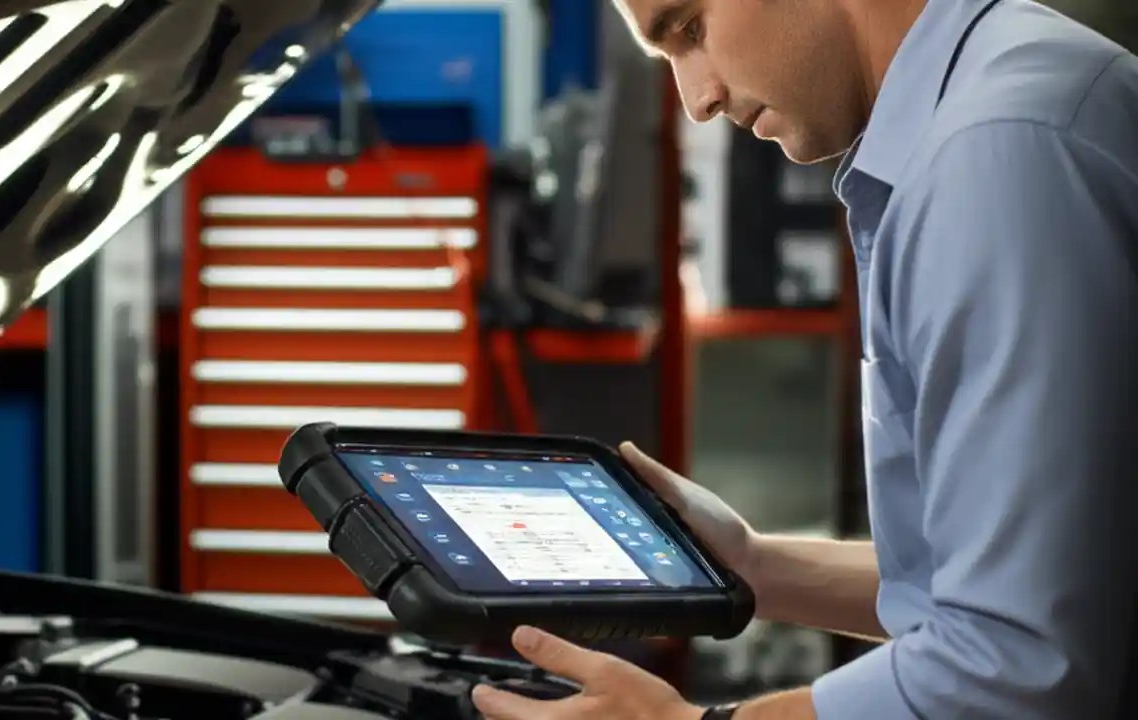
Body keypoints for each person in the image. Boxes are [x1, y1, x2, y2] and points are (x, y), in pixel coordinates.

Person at [471, 0, 1138, 717]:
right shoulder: (985, 110)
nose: (698, 99)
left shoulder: (998, 154)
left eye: (691, 29)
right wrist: (750, 564)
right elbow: (1024, 574)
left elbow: (1017, 664)